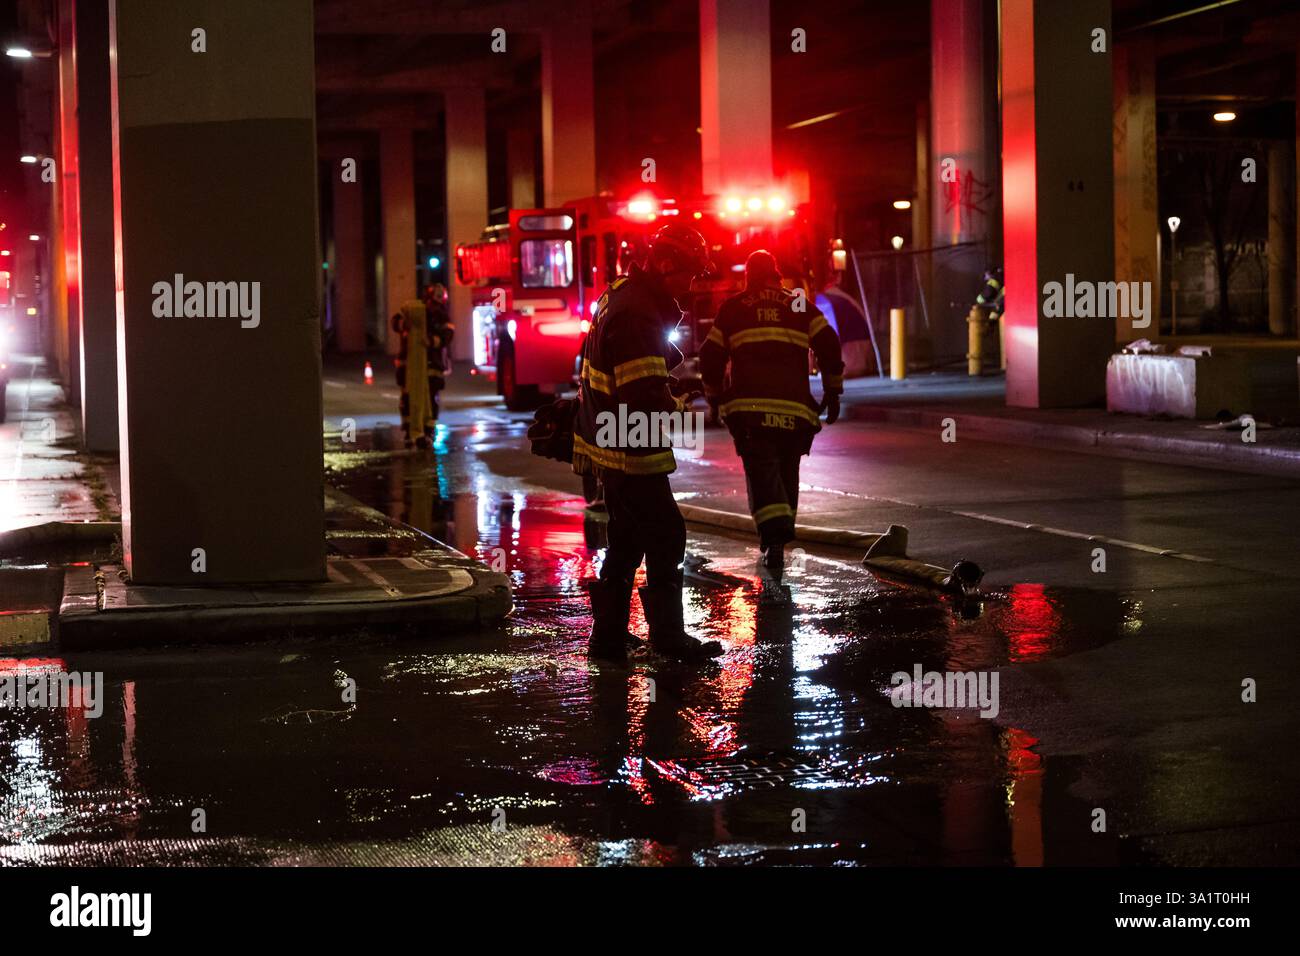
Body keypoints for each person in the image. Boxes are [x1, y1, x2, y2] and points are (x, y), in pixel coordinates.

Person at [573, 223, 723, 663]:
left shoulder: (622, 295)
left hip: (611, 439)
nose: (691, 285)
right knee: (666, 533)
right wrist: (685, 414)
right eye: (688, 275)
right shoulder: (638, 311)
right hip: (629, 446)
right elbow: (642, 395)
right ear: (664, 264)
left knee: (626, 538)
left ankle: (608, 639)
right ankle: (668, 639)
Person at [699, 249, 844, 576]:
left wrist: (713, 397)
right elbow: (829, 343)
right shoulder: (796, 303)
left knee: (762, 471)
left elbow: (710, 355)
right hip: (794, 413)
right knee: (786, 470)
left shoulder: (735, 307)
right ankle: (779, 535)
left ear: (748, 277)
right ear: (777, 275)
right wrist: (833, 390)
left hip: (751, 414)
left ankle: (774, 539)